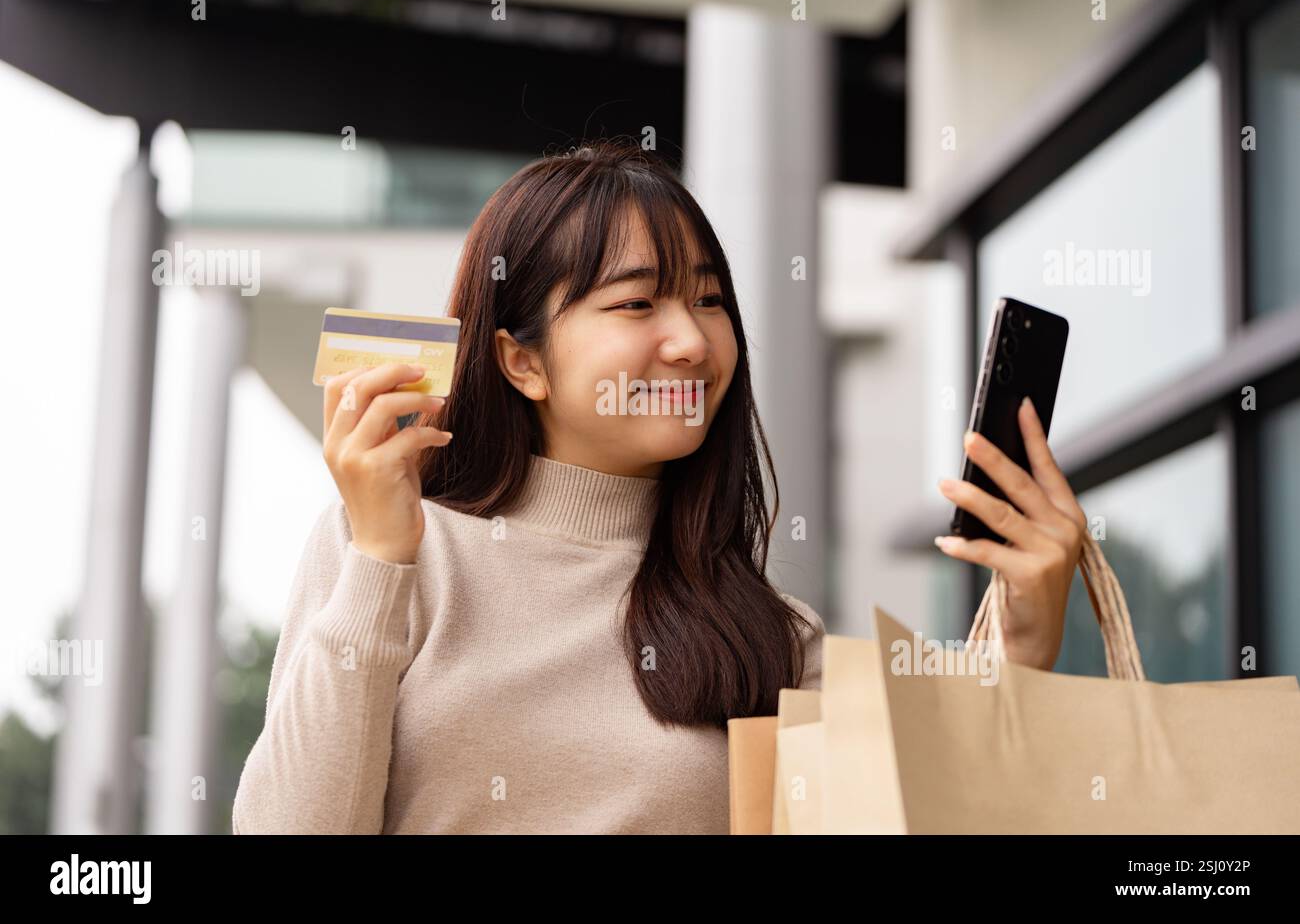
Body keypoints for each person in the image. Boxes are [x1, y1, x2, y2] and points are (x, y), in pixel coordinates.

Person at [232, 138, 1087, 834]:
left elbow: (913, 815)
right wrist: (381, 558)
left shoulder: (774, 638)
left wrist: (1020, 646)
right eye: (638, 305)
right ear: (521, 360)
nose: (690, 341)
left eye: (710, 300)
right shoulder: (385, 550)